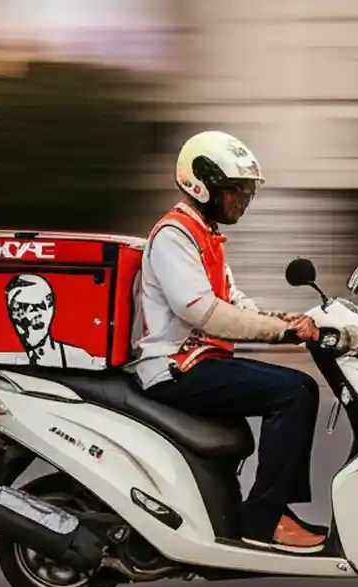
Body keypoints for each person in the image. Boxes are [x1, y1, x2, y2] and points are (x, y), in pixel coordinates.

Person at [128, 130, 327, 553]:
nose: (242, 200)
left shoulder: (207, 236)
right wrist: (280, 332)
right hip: (175, 367)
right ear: (203, 185)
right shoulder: (173, 235)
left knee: (298, 388)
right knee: (294, 392)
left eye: (245, 191)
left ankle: (267, 512)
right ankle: (264, 519)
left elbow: (234, 301)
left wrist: (284, 319)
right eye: (235, 190)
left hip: (202, 362)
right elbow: (201, 311)